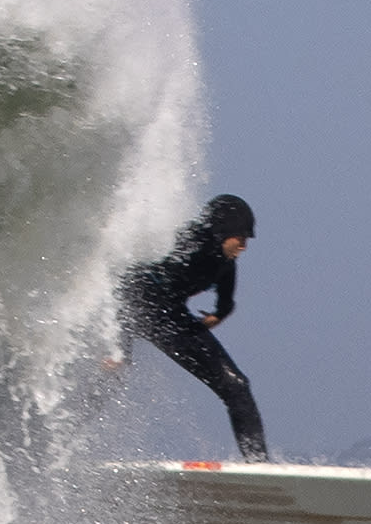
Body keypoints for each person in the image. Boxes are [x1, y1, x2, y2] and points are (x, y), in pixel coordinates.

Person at [113, 193, 267, 461]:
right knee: (108, 381)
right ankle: (53, 443)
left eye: (246, 239)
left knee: (237, 386)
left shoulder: (224, 262)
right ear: (221, 232)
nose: (244, 246)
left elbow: (226, 303)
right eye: (240, 238)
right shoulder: (186, 246)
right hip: (137, 311)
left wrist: (214, 318)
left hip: (171, 319)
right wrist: (120, 349)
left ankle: (259, 464)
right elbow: (127, 285)